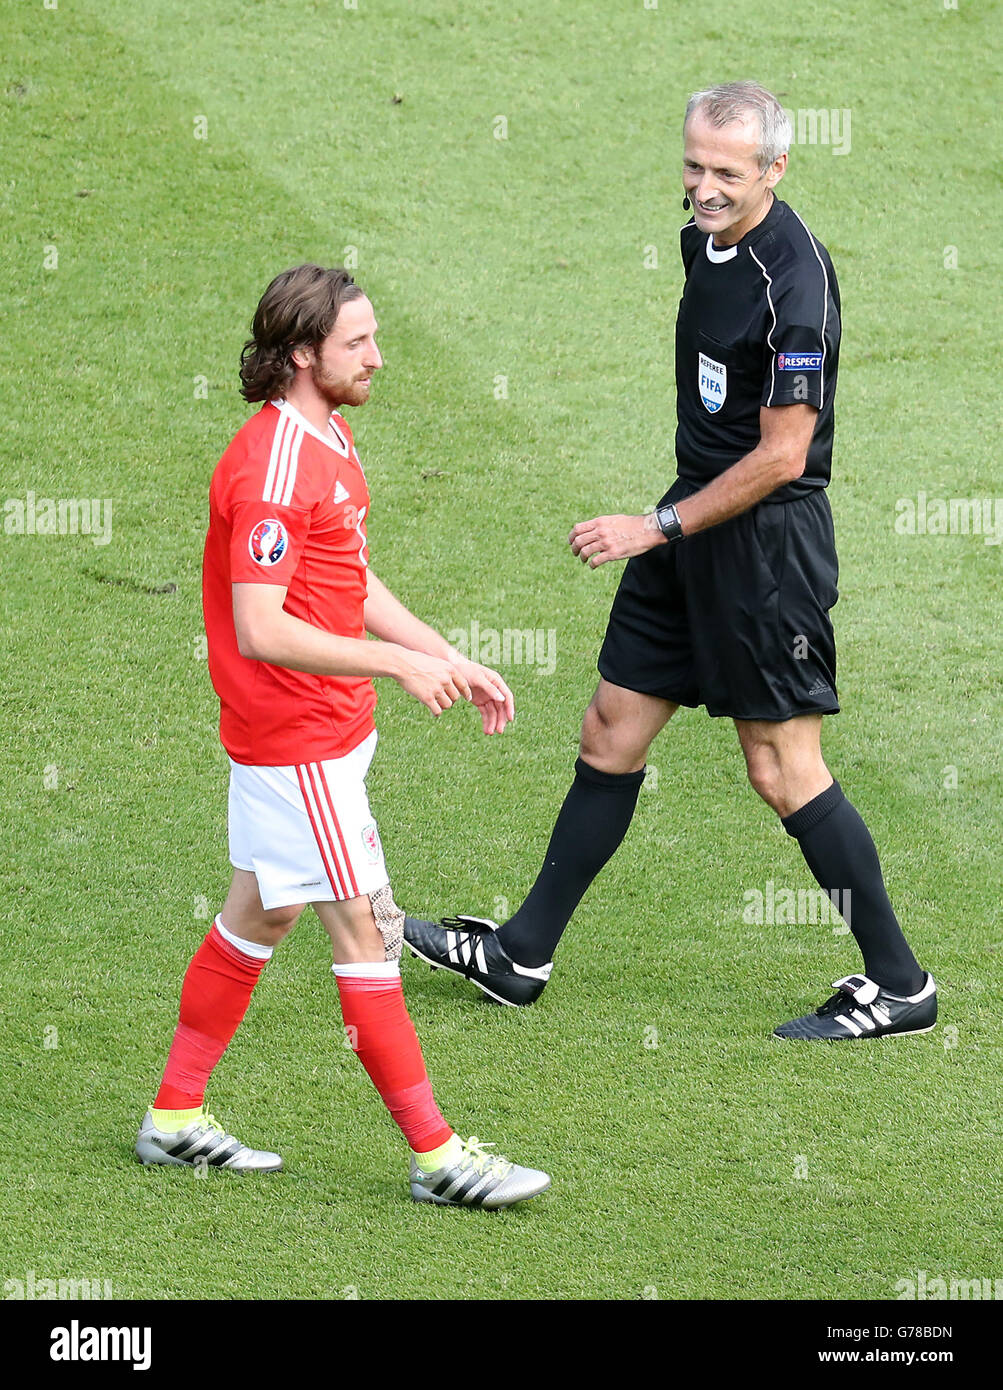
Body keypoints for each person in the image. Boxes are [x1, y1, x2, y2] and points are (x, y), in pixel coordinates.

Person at [405, 82, 937, 1042]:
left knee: (781, 767)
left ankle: (899, 985)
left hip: (758, 550)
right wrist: (670, 526)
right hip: (687, 524)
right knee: (611, 728)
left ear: (775, 169)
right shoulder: (704, 239)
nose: (702, 189)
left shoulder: (796, 293)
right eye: (692, 166)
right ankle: (522, 955)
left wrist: (656, 528)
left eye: (726, 174)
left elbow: (781, 456)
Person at [135, 264, 550, 1207]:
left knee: (260, 913)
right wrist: (398, 666)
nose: (377, 355)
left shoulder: (330, 437)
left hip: (325, 732)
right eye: (356, 342)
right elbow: (262, 626)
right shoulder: (271, 466)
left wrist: (443, 651)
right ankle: (440, 1159)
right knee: (368, 933)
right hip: (298, 742)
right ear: (300, 355)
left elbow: (348, 580)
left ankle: (172, 1118)